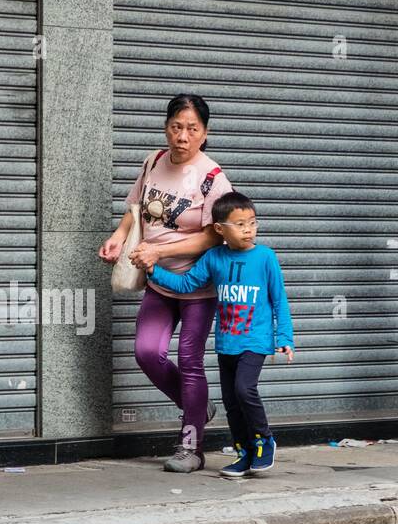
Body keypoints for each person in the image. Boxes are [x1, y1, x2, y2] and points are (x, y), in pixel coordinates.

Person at [99, 94, 233, 472]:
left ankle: (191, 447)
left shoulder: (212, 178)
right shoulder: (154, 161)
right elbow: (136, 209)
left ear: (204, 134)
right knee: (146, 352)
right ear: (166, 128)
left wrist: (159, 253)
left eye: (192, 129)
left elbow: (214, 236)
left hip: (197, 286)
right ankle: (197, 407)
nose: (183, 136)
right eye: (176, 127)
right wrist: (119, 236)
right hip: (158, 282)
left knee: (190, 361)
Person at [145, 191, 293, 477]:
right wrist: (153, 271)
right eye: (239, 224)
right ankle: (244, 453)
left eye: (252, 222)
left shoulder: (265, 257)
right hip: (226, 343)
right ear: (219, 229)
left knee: (244, 389)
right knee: (230, 402)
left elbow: (279, 299)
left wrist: (284, 337)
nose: (248, 229)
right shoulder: (214, 257)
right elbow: (188, 284)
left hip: (255, 341)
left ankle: (264, 440)